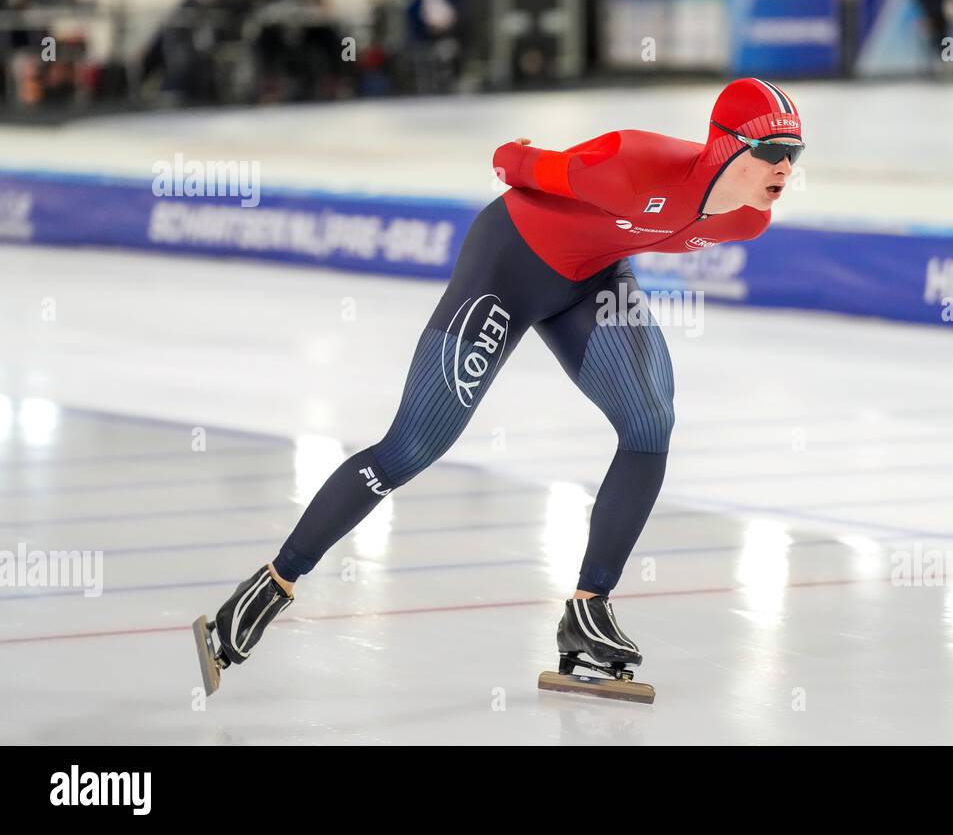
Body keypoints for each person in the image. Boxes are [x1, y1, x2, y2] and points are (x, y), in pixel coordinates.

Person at [193, 78, 805, 695]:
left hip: (589, 279)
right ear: (725, 147)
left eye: (795, 154)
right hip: (508, 265)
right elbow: (511, 164)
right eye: (772, 151)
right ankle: (271, 586)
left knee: (650, 423)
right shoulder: (634, 163)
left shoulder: (748, 221)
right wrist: (519, 152)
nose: (785, 167)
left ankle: (587, 613)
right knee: (410, 449)